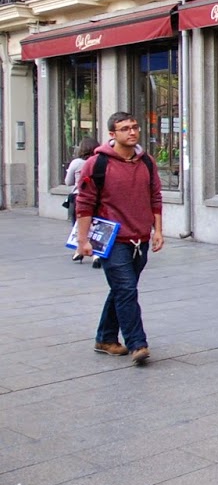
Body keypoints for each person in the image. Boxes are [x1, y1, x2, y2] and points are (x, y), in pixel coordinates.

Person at [73, 111, 164, 364]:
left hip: (140, 238)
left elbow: (155, 197)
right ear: (112, 134)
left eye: (134, 127)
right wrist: (83, 240)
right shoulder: (97, 163)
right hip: (112, 239)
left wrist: (158, 230)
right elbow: (84, 203)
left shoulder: (147, 162)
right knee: (126, 289)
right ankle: (138, 344)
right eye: (125, 128)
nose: (132, 132)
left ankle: (105, 338)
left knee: (122, 290)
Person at [63, 137, 95, 262]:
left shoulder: (77, 163)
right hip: (96, 198)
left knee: (78, 224)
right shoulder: (100, 161)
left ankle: (79, 250)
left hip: (79, 197)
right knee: (96, 225)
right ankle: (96, 253)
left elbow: (68, 182)